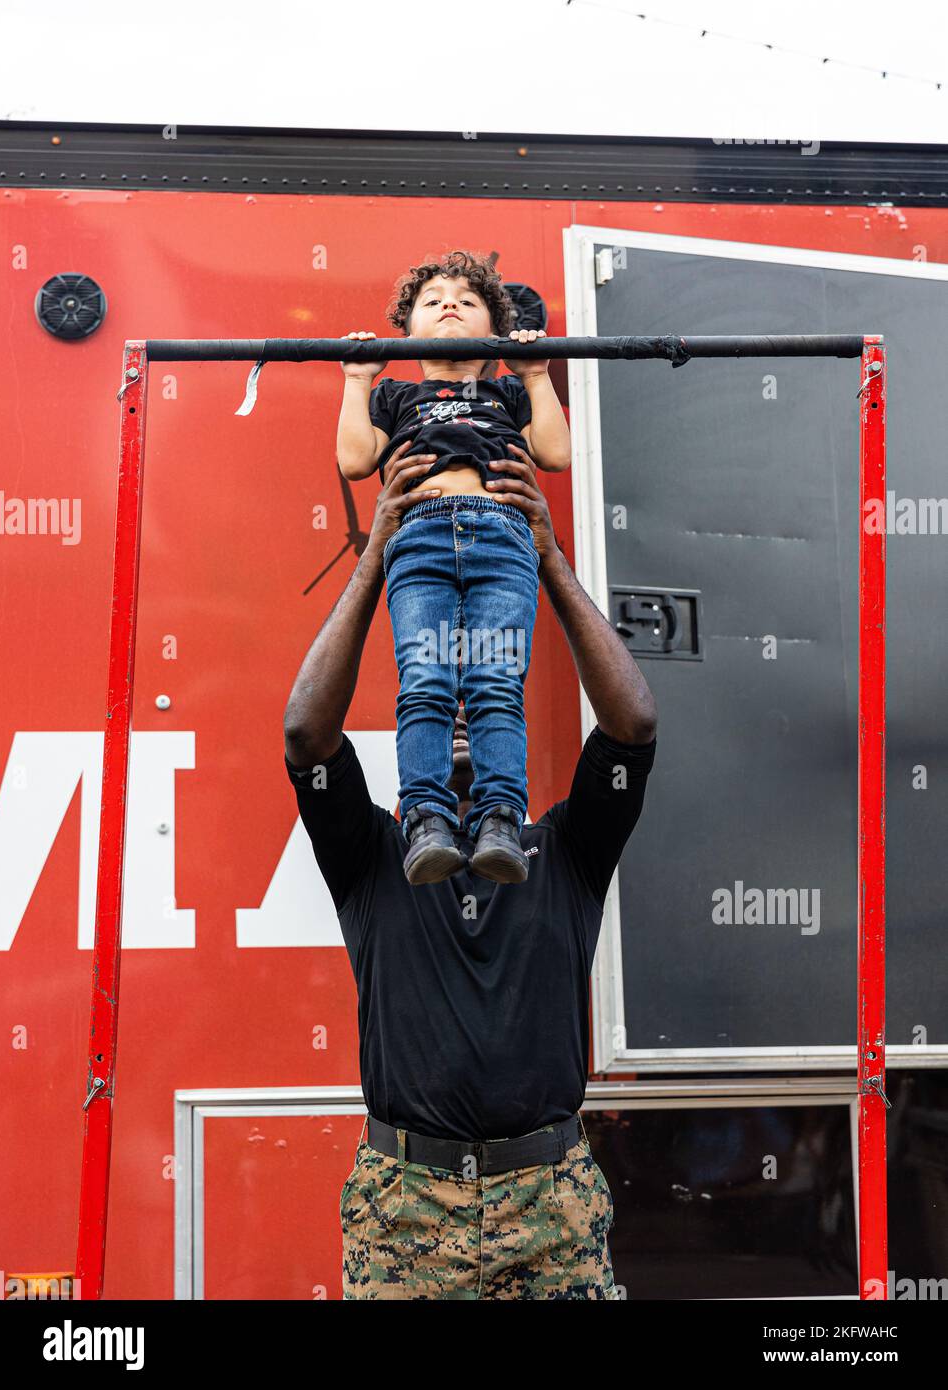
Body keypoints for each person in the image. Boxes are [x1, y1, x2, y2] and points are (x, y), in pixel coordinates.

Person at [283, 447, 658, 1300]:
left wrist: (547, 559)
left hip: (550, 1203)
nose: (458, 704)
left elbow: (632, 722)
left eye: (477, 702)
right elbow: (307, 732)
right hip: (406, 1206)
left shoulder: (564, 853)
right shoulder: (371, 859)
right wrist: (378, 552)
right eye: (435, 702)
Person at [336, 249, 571, 886]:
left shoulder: (506, 391)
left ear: (494, 329)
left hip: (501, 539)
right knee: (426, 682)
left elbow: (555, 453)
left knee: (496, 681)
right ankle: (427, 821)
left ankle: (499, 820)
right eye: (433, 299)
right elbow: (357, 462)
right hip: (420, 539)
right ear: (407, 330)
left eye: (467, 301)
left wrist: (539, 376)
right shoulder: (393, 394)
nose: (448, 305)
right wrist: (356, 384)